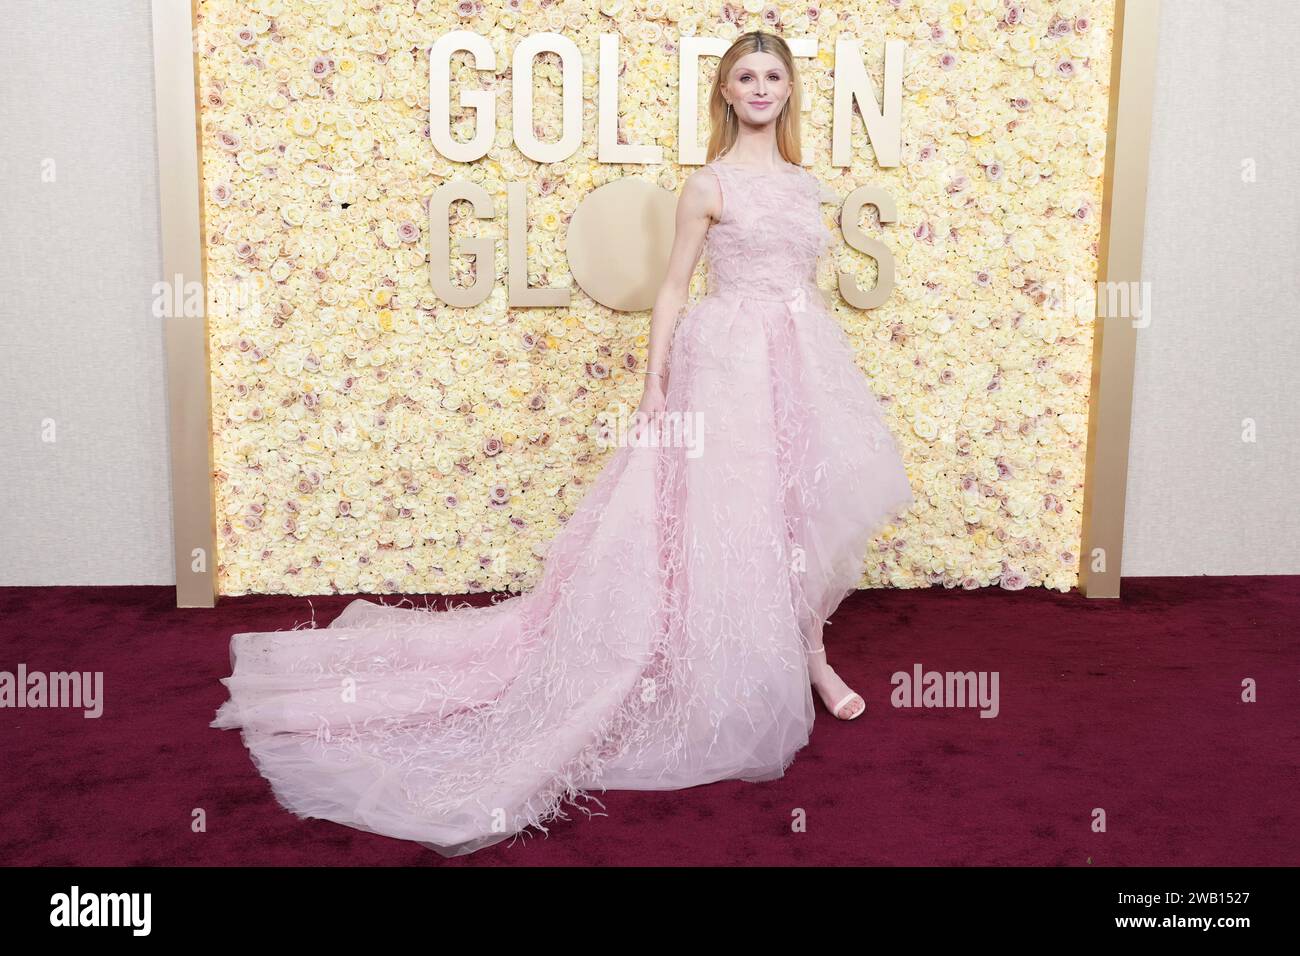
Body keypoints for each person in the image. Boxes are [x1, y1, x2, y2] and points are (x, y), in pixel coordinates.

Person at [211, 30, 914, 858]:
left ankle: (811, 653)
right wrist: (654, 384)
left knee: (803, 508)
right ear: (725, 93)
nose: (760, 88)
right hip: (724, 358)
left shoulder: (804, 186)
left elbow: (799, 283)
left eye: (772, 76)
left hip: (799, 359)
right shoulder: (709, 184)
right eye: (744, 76)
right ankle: (753, 663)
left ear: (789, 90)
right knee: (732, 510)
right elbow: (673, 285)